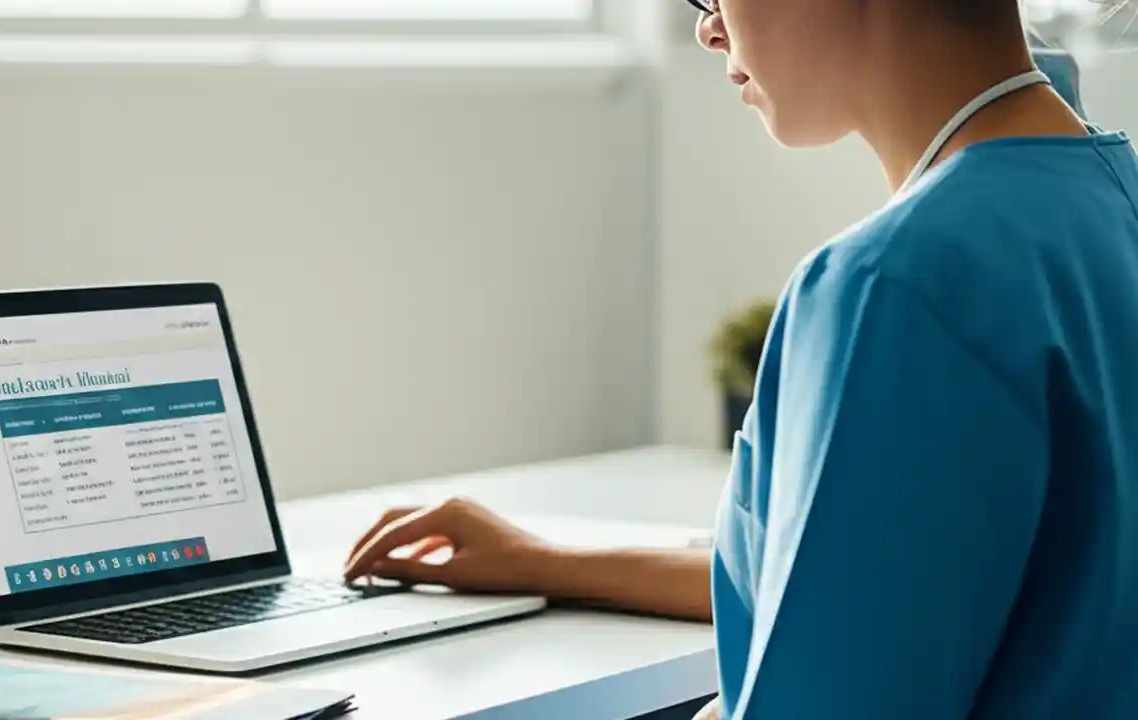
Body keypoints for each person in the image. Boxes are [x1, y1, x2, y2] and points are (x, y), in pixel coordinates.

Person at [345, 0, 1138, 717]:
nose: (709, 26)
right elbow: (864, 579)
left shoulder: (894, 285)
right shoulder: (1106, 202)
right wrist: (546, 561)